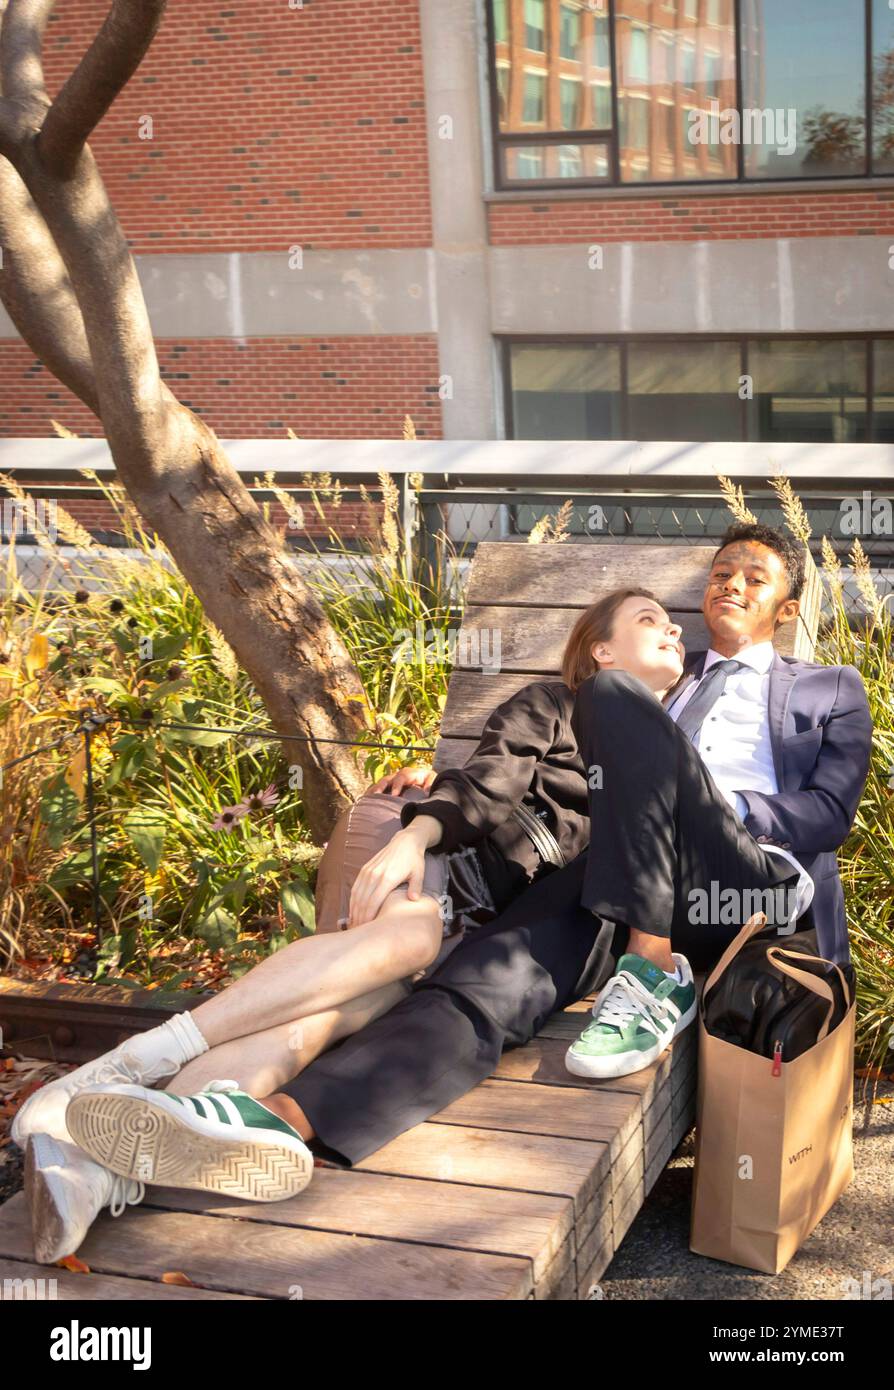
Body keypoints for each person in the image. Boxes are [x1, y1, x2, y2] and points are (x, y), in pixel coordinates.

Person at [24, 525, 876, 1241]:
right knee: (486, 983)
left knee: (618, 710)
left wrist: (704, 799)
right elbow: (535, 749)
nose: (727, 584)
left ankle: (651, 969)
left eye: (751, 577)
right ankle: (280, 1123)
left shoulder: (828, 690)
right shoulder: (662, 677)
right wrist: (429, 789)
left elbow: (827, 814)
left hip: (738, 883)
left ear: (787, 608)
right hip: (618, 874)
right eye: (719, 573)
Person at [16, 583, 687, 1261]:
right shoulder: (553, 706)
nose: (672, 630)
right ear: (600, 651)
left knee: (318, 1024)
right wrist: (415, 836)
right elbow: (488, 782)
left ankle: (97, 1169)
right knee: (409, 936)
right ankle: (126, 1065)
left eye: (671, 623)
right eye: (649, 619)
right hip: (428, 852)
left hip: (471, 921)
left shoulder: (653, 755)